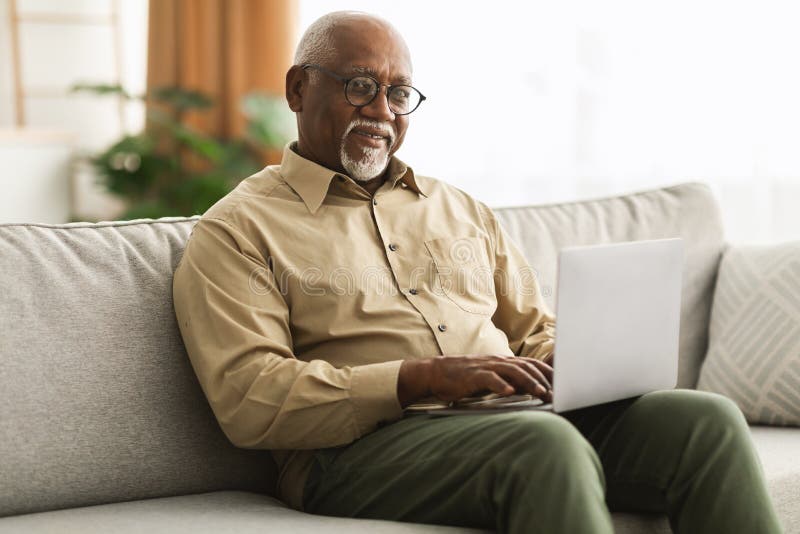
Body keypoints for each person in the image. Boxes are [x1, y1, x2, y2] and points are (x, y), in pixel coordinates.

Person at [172, 11, 781, 534]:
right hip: (355, 452)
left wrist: (576, 362)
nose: (382, 111)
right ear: (299, 90)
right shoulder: (237, 231)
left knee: (704, 421)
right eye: (360, 86)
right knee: (544, 447)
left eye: (399, 93)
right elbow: (249, 398)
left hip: (512, 420)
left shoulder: (461, 209)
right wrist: (420, 378)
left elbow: (532, 329)